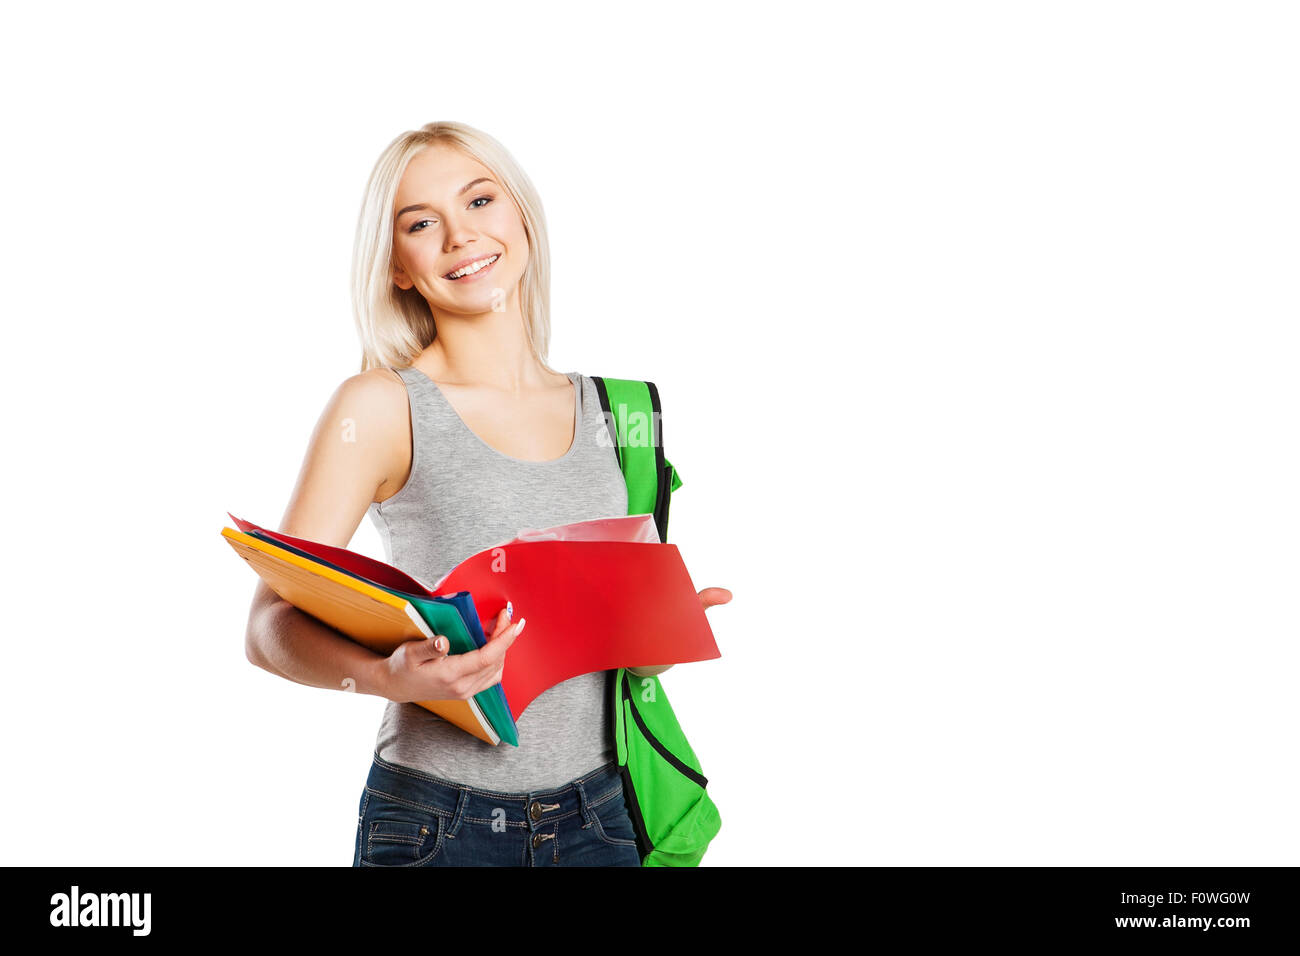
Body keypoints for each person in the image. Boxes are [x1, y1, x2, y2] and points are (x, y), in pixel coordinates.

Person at [242, 120, 732, 866]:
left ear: (522, 217)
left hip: (603, 815)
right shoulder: (378, 407)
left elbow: (607, 638)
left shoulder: (617, 411)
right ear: (398, 266)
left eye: (478, 201)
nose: (459, 238)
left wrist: (653, 640)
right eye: (420, 223)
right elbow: (267, 627)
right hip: (436, 824)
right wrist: (386, 675)